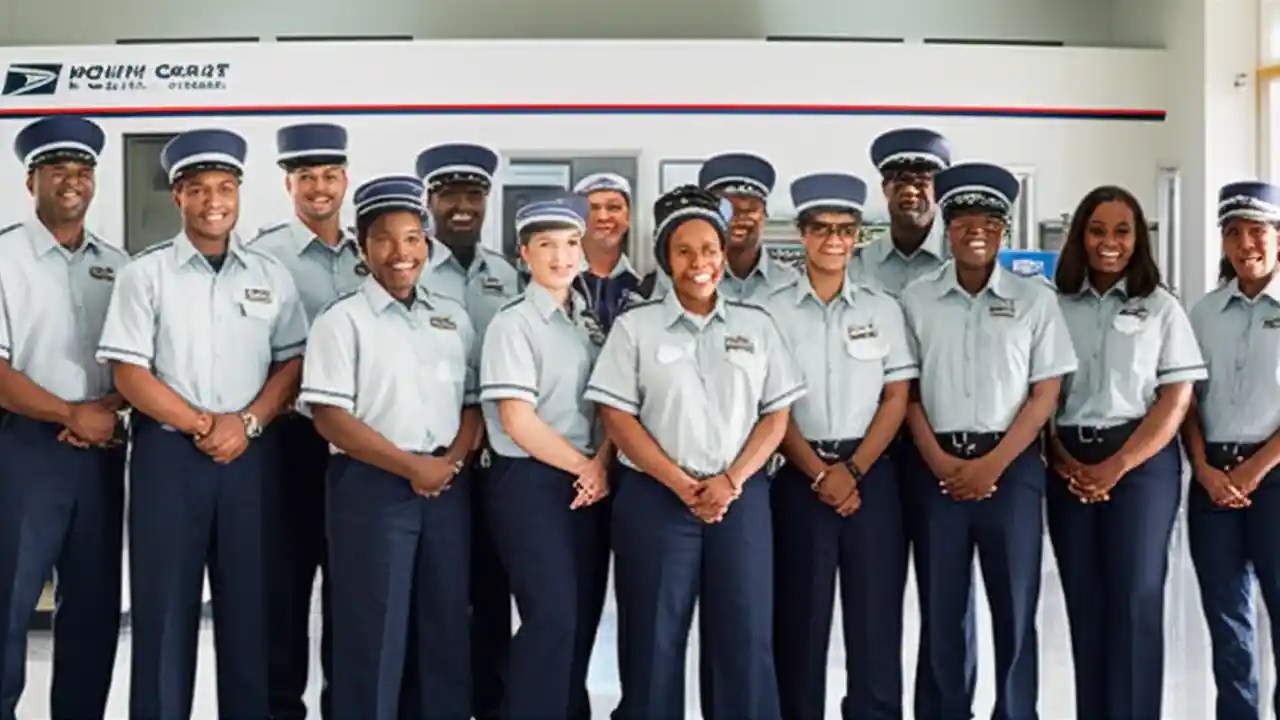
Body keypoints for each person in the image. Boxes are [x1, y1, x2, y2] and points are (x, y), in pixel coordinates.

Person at [95, 128, 309, 719]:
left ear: (239, 193)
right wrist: (201, 423)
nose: (213, 200)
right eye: (197, 189)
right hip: (170, 460)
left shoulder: (270, 273)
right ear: (178, 199)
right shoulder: (147, 275)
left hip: (251, 459)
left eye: (224, 187)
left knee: (250, 613)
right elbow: (129, 374)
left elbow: (291, 360)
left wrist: (248, 422)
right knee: (164, 613)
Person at [585, 184, 806, 718]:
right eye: (684, 251)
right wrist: (678, 482)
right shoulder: (636, 327)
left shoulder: (757, 326)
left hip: (740, 500)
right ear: (666, 258)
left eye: (709, 249)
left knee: (744, 636)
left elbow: (776, 415)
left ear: (722, 254)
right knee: (653, 639)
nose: (699, 262)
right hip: (656, 501)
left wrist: (731, 481)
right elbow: (617, 415)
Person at [299, 174, 482, 720]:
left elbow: (473, 402)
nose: (400, 252)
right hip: (372, 488)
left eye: (411, 238)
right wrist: (411, 466)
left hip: (446, 486)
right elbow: (330, 417)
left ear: (426, 245)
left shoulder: (451, 317)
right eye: (384, 238)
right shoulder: (343, 321)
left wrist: (448, 464)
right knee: (371, 632)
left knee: (446, 627)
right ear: (362, 247)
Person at [899, 161, 1077, 720]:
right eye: (963, 220)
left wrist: (994, 464)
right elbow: (905, 391)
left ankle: (1016, 711)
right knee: (942, 607)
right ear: (946, 229)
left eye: (990, 220)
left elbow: (1044, 394)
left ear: (1005, 230)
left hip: (1013, 468)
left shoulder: (1035, 299)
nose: (976, 229)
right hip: (936, 468)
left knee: (1015, 605)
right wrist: (937, 459)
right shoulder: (917, 298)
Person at [1047, 185, 1204, 720]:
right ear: (1080, 237)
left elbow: (1176, 395)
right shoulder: (1053, 304)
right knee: (1084, 605)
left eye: (1121, 231)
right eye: (1097, 230)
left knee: (1135, 602)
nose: (1108, 243)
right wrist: (1061, 458)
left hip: (1141, 467)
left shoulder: (1160, 306)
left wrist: (1121, 462)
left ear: (1138, 240)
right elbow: (1039, 392)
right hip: (1067, 463)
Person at [765, 172, 916, 720]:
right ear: (801, 234)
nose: (834, 240)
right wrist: (819, 473)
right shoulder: (772, 308)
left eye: (846, 230)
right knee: (799, 621)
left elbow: (897, 396)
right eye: (822, 229)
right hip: (798, 475)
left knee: (875, 620)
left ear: (859, 237)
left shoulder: (882, 307)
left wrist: (852, 470)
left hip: (872, 474)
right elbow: (770, 405)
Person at [0, 115, 127, 720]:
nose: (71, 183)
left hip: (101, 452)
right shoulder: (5, 256)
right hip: (23, 450)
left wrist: (105, 412)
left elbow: (140, 361)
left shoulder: (122, 265)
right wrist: (70, 411)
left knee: (95, 604)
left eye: (82, 172)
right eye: (57, 171)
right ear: (32, 181)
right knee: (9, 601)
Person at [479, 198, 612, 719]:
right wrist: (588, 468)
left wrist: (600, 463)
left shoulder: (587, 320)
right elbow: (517, 419)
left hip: (587, 482)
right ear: (524, 253)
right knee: (551, 616)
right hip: (531, 482)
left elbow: (610, 407)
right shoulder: (513, 324)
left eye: (571, 244)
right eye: (547, 245)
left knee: (581, 618)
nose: (561, 256)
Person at [250, 120, 357, 720]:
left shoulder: (373, 251)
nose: (320, 187)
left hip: (360, 449)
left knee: (354, 593)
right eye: (307, 177)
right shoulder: (262, 256)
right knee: (283, 592)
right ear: (288, 183)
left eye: (330, 176)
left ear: (345, 180)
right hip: (288, 442)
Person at [415, 141, 520, 720]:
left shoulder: (506, 273)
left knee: (492, 585)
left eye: (473, 195)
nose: (461, 206)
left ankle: (492, 701)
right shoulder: (407, 264)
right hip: (431, 452)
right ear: (430, 200)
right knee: (433, 596)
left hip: (495, 457)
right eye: (449, 194)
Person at [1184, 180, 1280, 719]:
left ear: (1279, 239)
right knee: (1226, 620)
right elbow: (1188, 403)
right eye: (1234, 233)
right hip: (1211, 479)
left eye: (1258, 232)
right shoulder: (1203, 313)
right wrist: (1203, 467)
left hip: (1274, 477)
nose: (1247, 244)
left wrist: (1255, 469)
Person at [848, 127, 952, 296]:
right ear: (884, 189)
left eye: (921, 181)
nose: (910, 190)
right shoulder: (860, 264)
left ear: (938, 188)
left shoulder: (962, 259)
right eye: (899, 181)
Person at [572, 172, 640, 331]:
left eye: (614, 208)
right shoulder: (558, 281)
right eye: (593, 208)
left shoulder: (644, 287)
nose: (603, 217)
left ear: (628, 217)